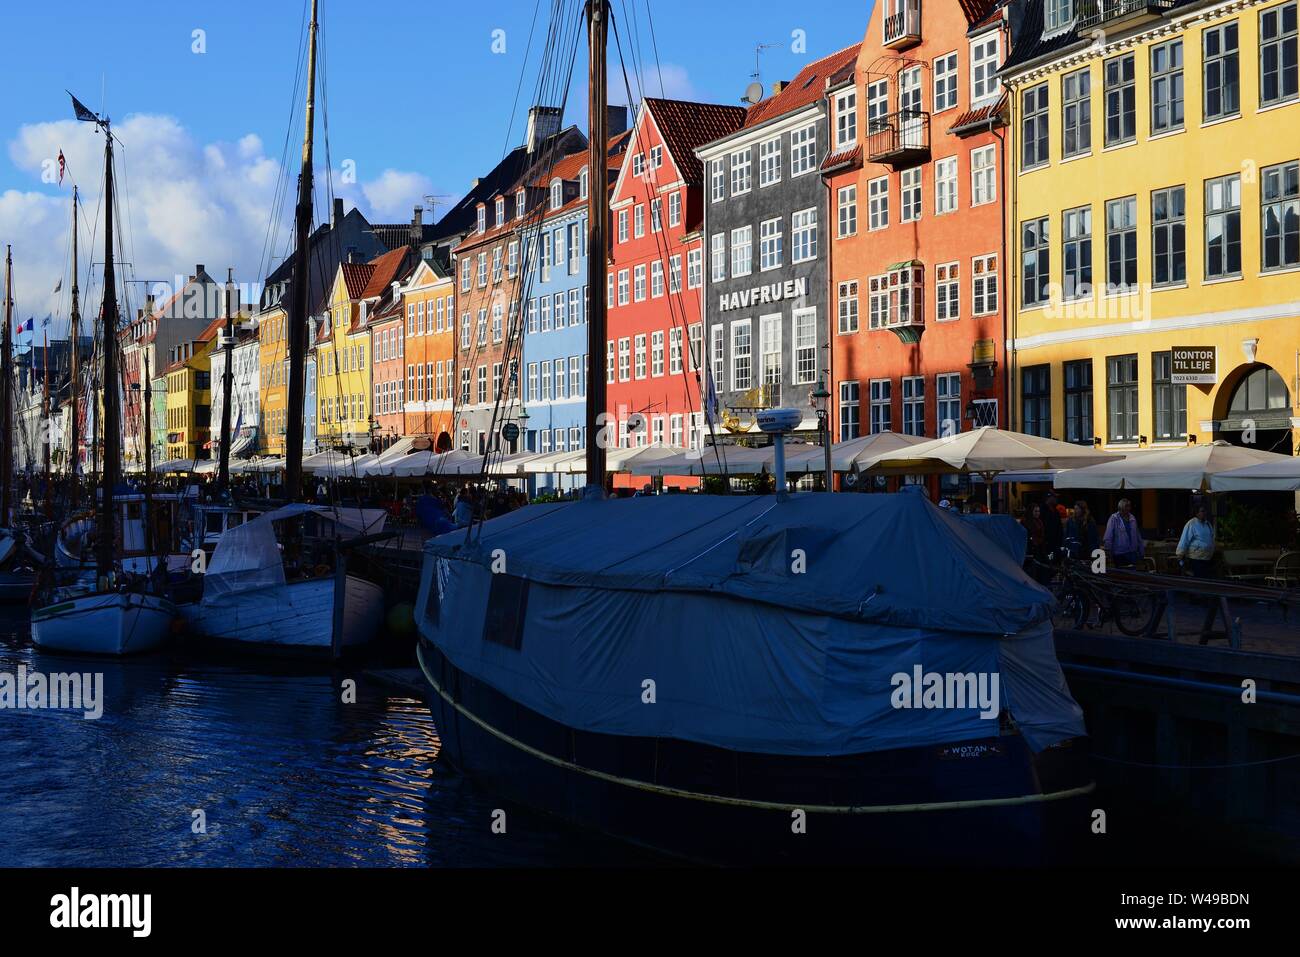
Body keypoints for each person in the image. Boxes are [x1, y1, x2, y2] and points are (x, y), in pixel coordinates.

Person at [1175, 503, 1216, 578]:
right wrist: (1180, 554)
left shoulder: (1208, 524)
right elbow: (1185, 539)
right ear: (1197, 513)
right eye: (1202, 511)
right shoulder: (1192, 524)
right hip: (1196, 558)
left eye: (1205, 511)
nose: (1204, 513)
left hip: (1207, 558)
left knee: (1206, 579)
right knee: (1199, 579)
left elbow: (1212, 538)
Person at [1103, 498, 1145, 568]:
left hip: (1132, 552)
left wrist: (1141, 550)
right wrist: (1108, 551)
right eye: (1126, 506)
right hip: (1119, 553)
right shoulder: (1114, 518)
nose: (1128, 508)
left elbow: (1137, 535)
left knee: (1133, 573)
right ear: (1121, 507)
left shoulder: (1132, 518)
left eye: (1129, 506)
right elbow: (1108, 535)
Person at [1020, 503, 1050, 583]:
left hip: (1039, 548)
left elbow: (1041, 536)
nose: (1037, 513)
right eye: (1035, 511)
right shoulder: (1025, 521)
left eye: (1038, 511)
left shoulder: (1039, 522)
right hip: (1030, 549)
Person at [1041, 492, 1064, 560]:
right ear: (1049, 498)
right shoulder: (1041, 510)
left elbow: (1059, 527)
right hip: (1046, 544)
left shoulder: (1056, 511)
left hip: (1056, 544)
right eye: (1055, 497)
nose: (1056, 499)